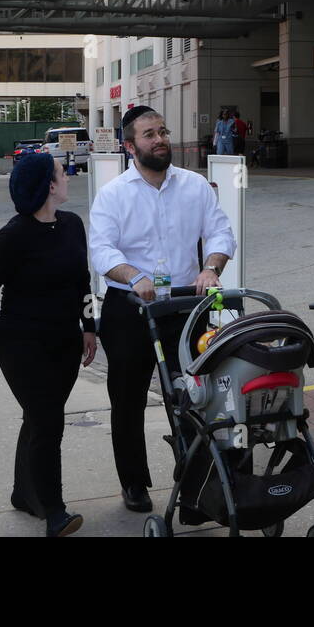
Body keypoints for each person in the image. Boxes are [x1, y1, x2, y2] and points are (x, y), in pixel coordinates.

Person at [89, 105, 236, 513]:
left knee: (194, 396)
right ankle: (134, 483)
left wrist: (211, 267)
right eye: (149, 134)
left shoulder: (194, 186)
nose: (160, 139)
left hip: (186, 306)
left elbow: (221, 232)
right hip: (131, 307)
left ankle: (197, 483)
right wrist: (133, 275)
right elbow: (101, 248)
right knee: (128, 398)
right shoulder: (114, 194)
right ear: (130, 146)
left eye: (163, 131)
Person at [0, 153, 96, 538]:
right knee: (49, 421)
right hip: (20, 343)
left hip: (64, 340)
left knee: (39, 417)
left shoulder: (73, 225)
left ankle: (23, 493)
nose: (68, 178)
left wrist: (90, 327)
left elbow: (83, 282)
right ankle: (54, 512)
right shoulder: (12, 236)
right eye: (63, 173)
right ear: (49, 185)